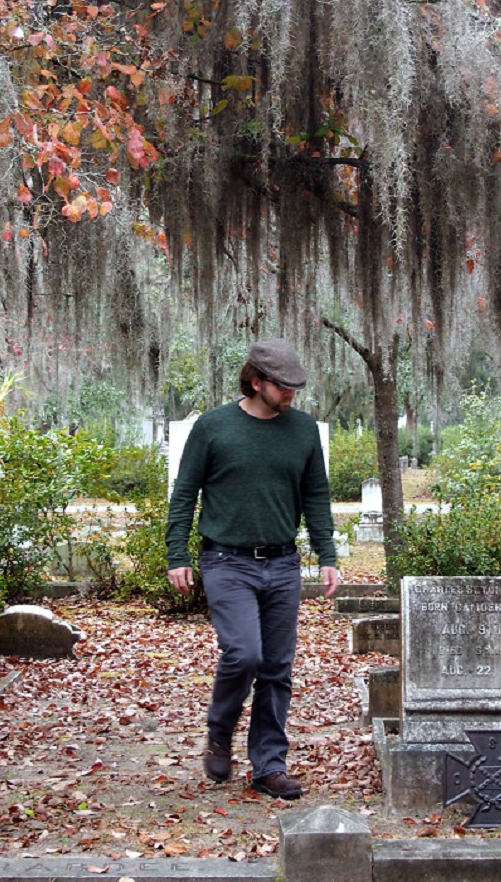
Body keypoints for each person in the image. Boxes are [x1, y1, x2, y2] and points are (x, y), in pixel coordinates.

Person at [165, 337, 339, 800]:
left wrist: (327, 555)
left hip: (282, 562)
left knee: (277, 668)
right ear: (257, 381)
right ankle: (219, 732)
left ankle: (269, 766)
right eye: (282, 386)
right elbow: (185, 493)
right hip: (226, 561)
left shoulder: (303, 430)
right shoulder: (214, 427)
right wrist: (177, 555)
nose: (290, 394)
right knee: (244, 654)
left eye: (295, 387)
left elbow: (316, 496)